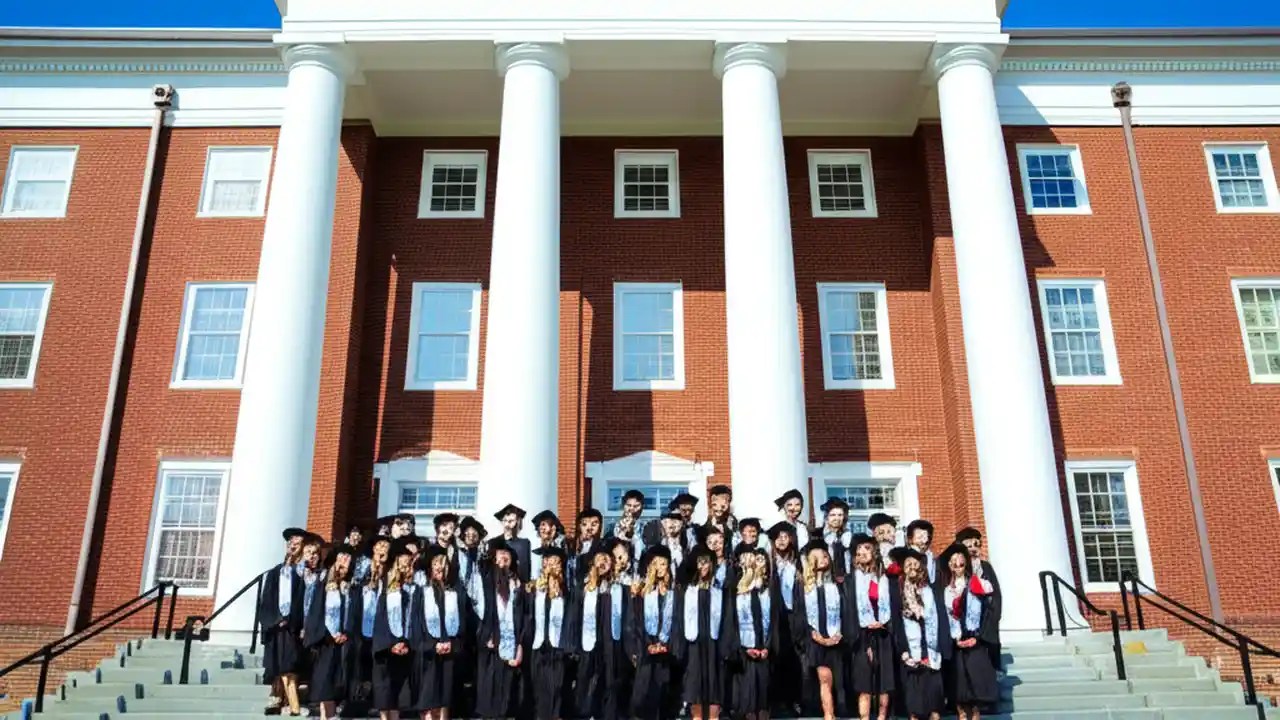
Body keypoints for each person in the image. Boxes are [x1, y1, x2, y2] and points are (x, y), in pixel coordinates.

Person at [939, 543, 998, 720]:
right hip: (956, 642)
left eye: (961, 561)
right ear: (948, 565)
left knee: (975, 691)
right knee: (960, 690)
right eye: (953, 562)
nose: (957, 565)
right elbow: (948, 616)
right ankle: (962, 716)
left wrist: (977, 637)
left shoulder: (976, 582)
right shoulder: (946, 590)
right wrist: (955, 638)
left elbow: (989, 595)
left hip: (974, 640)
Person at [792, 538, 850, 720]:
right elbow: (799, 614)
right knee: (824, 678)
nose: (825, 558)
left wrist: (840, 633)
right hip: (815, 639)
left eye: (826, 555)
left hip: (836, 638)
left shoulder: (837, 584)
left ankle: (836, 711)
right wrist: (813, 635)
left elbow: (845, 611)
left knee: (839, 682)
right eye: (819, 556)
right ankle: (828, 715)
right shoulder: (803, 586)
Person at [571, 545, 629, 720]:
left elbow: (627, 619)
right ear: (592, 563)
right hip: (588, 646)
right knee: (586, 684)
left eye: (607, 559)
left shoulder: (619, 588)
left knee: (611, 684)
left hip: (611, 646)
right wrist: (574, 646)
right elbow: (574, 619)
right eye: (599, 559)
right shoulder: (582, 588)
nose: (603, 562)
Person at [305, 543, 360, 720]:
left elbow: (354, 615)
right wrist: (328, 635)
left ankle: (333, 715)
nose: (345, 561)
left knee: (339, 684)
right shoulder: (323, 586)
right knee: (325, 685)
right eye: (342, 557)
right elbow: (315, 613)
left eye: (348, 559)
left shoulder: (351, 587)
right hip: (326, 642)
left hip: (344, 644)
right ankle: (325, 716)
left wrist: (346, 633)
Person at [673, 545, 727, 720]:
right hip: (693, 647)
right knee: (695, 693)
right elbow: (678, 620)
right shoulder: (686, 590)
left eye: (707, 563)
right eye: (700, 563)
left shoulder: (720, 590)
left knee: (714, 695)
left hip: (713, 648)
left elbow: (727, 620)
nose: (703, 567)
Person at [475, 539, 526, 720]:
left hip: (511, 643)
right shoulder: (486, 579)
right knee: (489, 695)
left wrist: (520, 644)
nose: (504, 556)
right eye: (500, 554)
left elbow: (524, 616)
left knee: (506, 696)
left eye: (507, 554)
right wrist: (486, 635)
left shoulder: (518, 584)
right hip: (490, 644)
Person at [725, 546, 778, 720]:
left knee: (764, 701)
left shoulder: (768, 590)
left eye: (760, 560)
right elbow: (731, 623)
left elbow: (774, 622)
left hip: (764, 651)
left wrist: (768, 647)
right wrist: (742, 649)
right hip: (742, 654)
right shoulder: (735, 590)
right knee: (746, 701)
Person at [892, 550, 946, 720]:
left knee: (934, 705)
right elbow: (897, 624)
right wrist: (902, 649)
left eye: (916, 564)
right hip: (911, 649)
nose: (912, 568)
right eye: (908, 565)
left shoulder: (930, 591)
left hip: (931, 651)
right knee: (914, 706)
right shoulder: (898, 592)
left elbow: (938, 618)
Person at [415, 544, 466, 720]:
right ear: (430, 566)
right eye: (437, 563)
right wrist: (431, 646)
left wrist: (453, 644)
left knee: (445, 697)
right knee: (428, 698)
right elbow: (416, 625)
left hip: (448, 652)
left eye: (444, 564)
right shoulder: (421, 592)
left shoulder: (454, 593)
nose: (440, 567)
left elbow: (462, 626)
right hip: (428, 654)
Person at [261, 528, 307, 716]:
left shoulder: (304, 572)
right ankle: (278, 698)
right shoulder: (275, 573)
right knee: (278, 664)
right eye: (290, 542)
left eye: (297, 543)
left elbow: (303, 600)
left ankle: (292, 702)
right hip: (276, 626)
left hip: (294, 627)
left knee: (291, 664)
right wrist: (275, 620)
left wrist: (291, 620)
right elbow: (267, 600)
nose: (293, 545)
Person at [848, 534, 894, 720]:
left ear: (874, 552)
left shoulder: (885, 579)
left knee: (884, 682)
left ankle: (882, 717)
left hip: (884, 634)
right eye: (858, 551)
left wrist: (885, 624)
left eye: (866, 549)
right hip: (861, 634)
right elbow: (849, 609)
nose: (862, 554)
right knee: (864, 684)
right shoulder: (852, 581)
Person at [372, 538, 418, 720]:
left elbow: (411, 619)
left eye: (409, 559)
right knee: (384, 686)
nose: (406, 562)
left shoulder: (412, 588)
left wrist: (405, 642)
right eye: (403, 558)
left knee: (399, 688)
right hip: (385, 645)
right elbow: (380, 617)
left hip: (404, 646)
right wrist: (391, 643)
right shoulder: (383, 583)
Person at [629, 545, 677, 720]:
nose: (659, 567)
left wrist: (668, 645)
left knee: (664, 699)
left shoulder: (674, 593)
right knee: (643, 699)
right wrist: (646, 645)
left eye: (663, 563)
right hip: (646, 653)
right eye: (655, 563)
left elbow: (677, 623)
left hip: (666, 654)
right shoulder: (641, 594)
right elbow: (635, 622)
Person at [529, 545, 571, 720]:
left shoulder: (566, 593)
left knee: (556, 690)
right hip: (538, 647)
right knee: (540, 692)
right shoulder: (533, 590)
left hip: (557, 649)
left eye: (557, 562)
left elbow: (570, 621)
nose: (552, 566)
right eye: (549, 562)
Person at [956, 527, 1003, 676]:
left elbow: (996, 595)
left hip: (987, 624)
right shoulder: (958, 571)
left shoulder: (986, 567)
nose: (973, 549)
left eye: (976, 545)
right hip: (968, 627)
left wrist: (994, 617)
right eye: (969, 546)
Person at [767, 522, 802, 718]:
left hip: (791, 614)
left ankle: (793, 699)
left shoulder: (796, 563)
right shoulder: (768, 562)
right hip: (772, 615)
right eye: (778, 537)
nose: (782, 540)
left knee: (792, 657)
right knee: (775, 656)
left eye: (786, 536)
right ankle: (775, 700)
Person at [354, 535, 393, 712]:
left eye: (386, 546)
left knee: (379, 668)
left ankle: (378, 704)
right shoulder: (364, 567)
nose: (382, 549)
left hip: (381, 627)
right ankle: (360, 702)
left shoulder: (391, 570)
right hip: (363, 623)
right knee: (361, 666)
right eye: (380, 546)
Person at [494, 504, 533, 584]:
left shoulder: (524, 544)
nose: (507, 525)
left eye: (511, 521)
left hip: (519, 587)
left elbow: (526, 570)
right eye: (505, 521)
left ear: (518, 522)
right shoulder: (494, 543)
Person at [819, 498, 852, 583]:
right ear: (826, 516)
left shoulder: (848, 536)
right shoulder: (816, 536)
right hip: (823, 580)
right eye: (833, 515)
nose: (837, 518)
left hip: (847, 581)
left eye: (840, 515)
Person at [530, 510, 565, 581]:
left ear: (553, 527)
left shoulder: (563, 541)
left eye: (543, 524)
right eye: (539, 526)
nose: (541, 528)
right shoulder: (542, 544)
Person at [571, 508, 604, 584]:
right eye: (584, 524)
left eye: (594, 524)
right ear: (579, 526)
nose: (589, 528)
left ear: (600, 526)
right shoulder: (570, 545)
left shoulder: (603, 546)